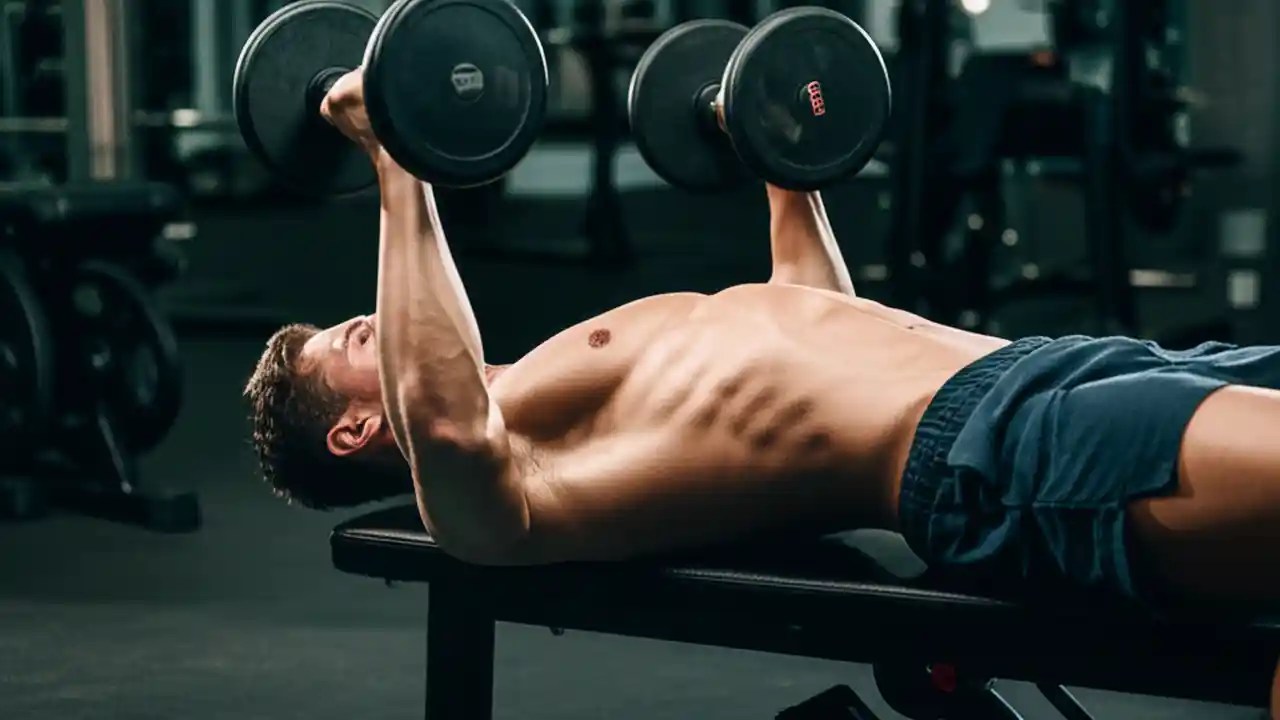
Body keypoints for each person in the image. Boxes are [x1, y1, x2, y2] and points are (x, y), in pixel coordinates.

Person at [244, 69, 1280, 615]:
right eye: (347, 339)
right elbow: (448, 422)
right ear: (355, 431)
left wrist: (782, 166)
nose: (370, 318)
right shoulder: (493, 494)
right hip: (1001, 454)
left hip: (1058, 373)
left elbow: (811, 321)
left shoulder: (565, 389)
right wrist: (395, 162)